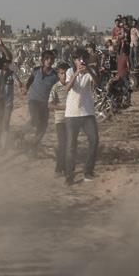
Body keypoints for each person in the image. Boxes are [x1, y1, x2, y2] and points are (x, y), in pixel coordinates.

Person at [63, 49, 99, 185]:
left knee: (94, 140)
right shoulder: (70, 72)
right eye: (78, 59)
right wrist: (77, 72)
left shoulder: (90, 71)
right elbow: (67, 88)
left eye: (84, 58)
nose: (81, 61)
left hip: (88, 112)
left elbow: (97, 83)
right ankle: (69, 175)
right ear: (74, 60)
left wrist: (88, 70)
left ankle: (88, 171)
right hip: (72, 114)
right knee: (71, 146)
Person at [23, 50, 58, 154]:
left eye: (51, 59)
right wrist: (26, 88)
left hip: (45, 104)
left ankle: (32, 147)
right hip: (33, 100)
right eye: (47, 59)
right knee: (35, 120)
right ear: (43, 60)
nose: (49, 61)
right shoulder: (36, 70)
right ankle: (20, 133)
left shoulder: (54, 76)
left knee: (42, 127)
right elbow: (30, 80)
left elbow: (56, 89)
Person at [49, 62, 71, 177]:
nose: (64, 75)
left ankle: (65, 167)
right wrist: (63, 107)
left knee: (69, 144)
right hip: (60, 120)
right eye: (62, 73)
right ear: (58, 74)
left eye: (66, 73)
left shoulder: (72, 86)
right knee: (63, 143)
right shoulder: (55, 87)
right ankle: (59, 168)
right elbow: (50, 106)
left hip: (71, 119)